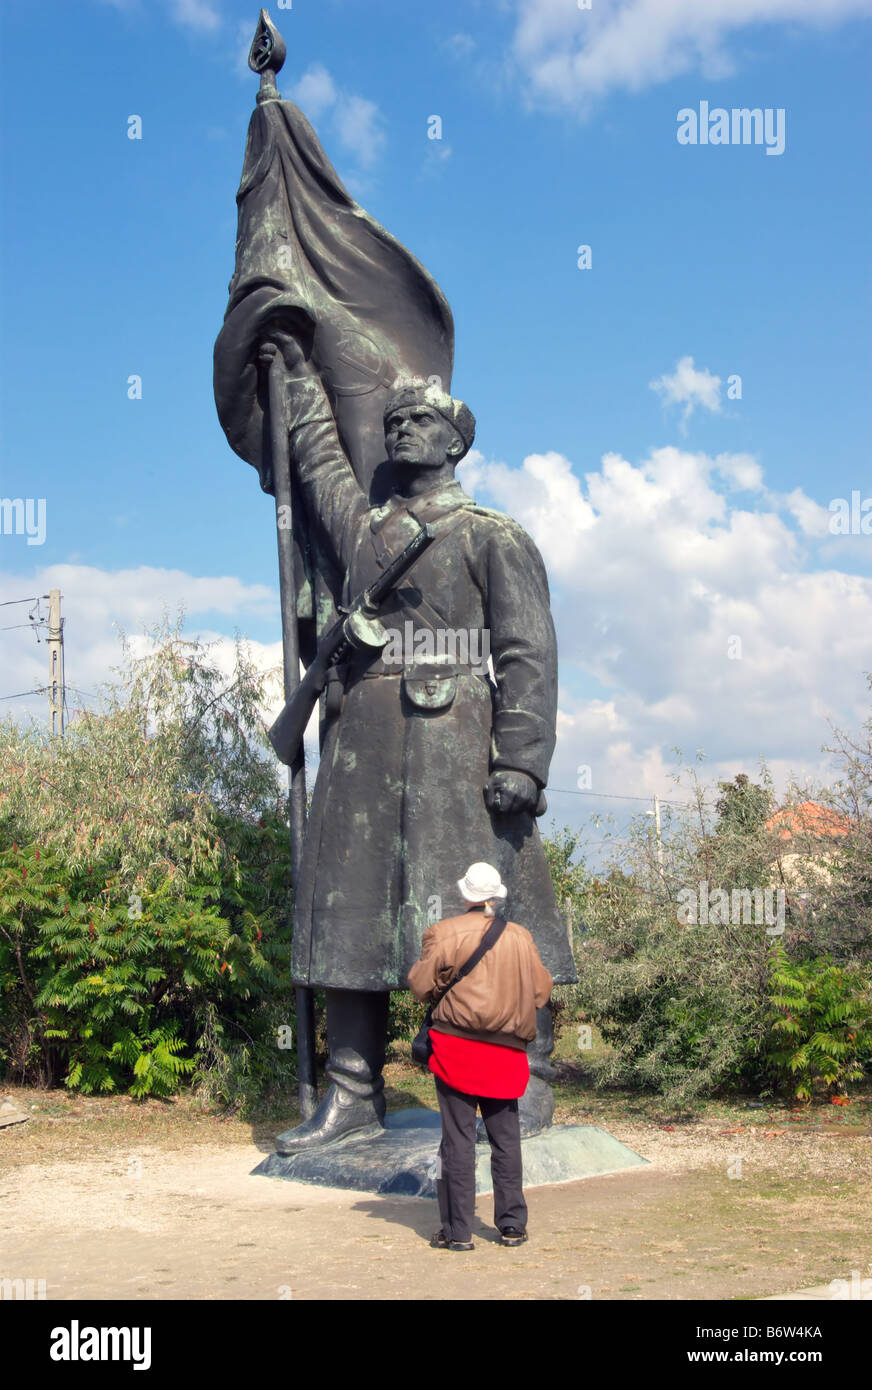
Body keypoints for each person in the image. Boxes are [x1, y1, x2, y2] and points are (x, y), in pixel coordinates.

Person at [266, 333, 576, 1155]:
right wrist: (293, 374)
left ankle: (527, 1078)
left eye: (420, 420)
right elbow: (320, 460)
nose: (402, 428)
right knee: (349, 914)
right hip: (364, 737)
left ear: (455, 440)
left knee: (490, 915)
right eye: (394, 419)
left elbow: (526, 654)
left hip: (457, 738)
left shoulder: (490, 535)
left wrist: (520, 760)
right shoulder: (364, 530)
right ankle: (353, 1095)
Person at [408, 861, 553, 1251]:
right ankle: (512, 1226)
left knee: (456, 1141)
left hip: (456, 1048)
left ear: (466, 895)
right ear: (496, 895)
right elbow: (541, 993)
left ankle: (457, 1233)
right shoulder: (521, 937)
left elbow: (420, 987)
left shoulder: (442, 932)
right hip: (506, 1052)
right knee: (506, 1140)